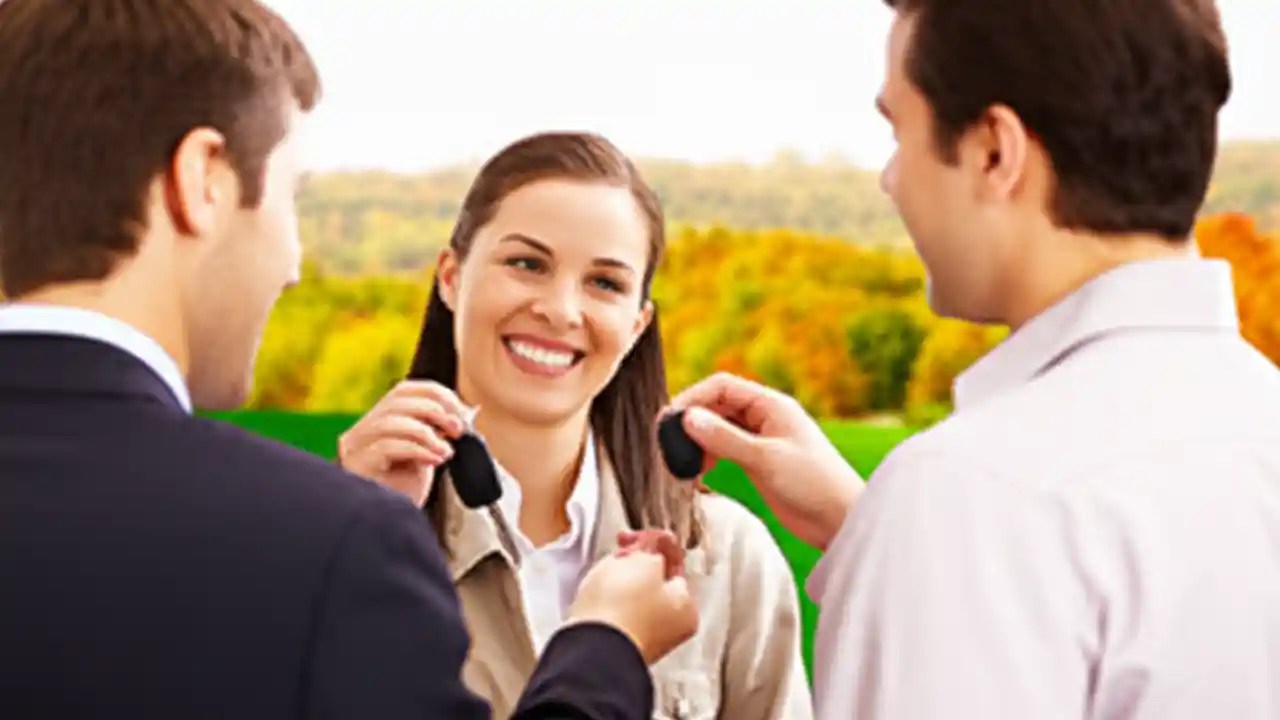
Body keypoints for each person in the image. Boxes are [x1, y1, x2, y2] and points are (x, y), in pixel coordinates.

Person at [0, 1, 697, 718]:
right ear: (203, 178)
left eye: (605, 281)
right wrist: (605, 644)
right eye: (288, 197)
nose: (294, 263)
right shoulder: (317, 543)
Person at [667, 0, 1280, 718]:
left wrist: (918, 541)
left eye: (900, 131)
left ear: (995, 151)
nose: (890, 179)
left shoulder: (969, 497)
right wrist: (871, 535)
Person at [337, 131, 812, 719]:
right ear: (451, 277)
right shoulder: (348, 539)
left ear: (637, 326)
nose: (561, 310)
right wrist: (344, 543)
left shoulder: (725, 560)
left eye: (604, 283)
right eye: (526, 264)